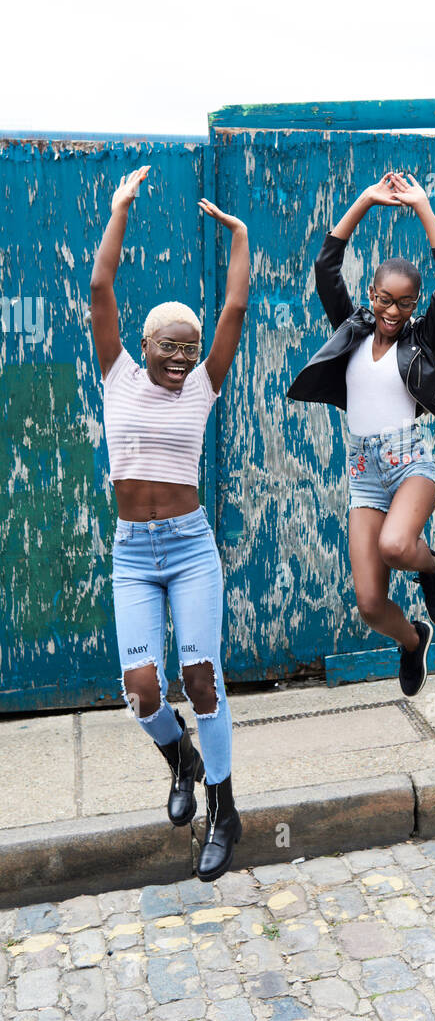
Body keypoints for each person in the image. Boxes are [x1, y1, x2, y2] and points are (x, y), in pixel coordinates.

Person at [89, 165, 250, 881]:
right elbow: (100, 287)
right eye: (171, 346)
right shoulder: (116, 372)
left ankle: (224, 807)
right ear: (145, 344)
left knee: (202, 677)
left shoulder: (204, 384)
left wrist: (240, 237)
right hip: (133, 553)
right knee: (142, 689)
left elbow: (235, 311)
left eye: (190, 347)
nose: (184, 357)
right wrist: (121, 208)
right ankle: (178, 757)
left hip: (189, 548)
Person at [287, 172, 435, 695]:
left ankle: (430, 568)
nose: (392, 311)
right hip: (363, 473)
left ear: (415, 306)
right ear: (371, 294)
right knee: (368, 604)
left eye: (405, 303)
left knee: (395, 546)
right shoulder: (352, 329)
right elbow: (326, 265)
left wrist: (424, 206)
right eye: (385, 299)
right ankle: (413, 641)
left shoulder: (423, 339)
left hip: (410, 465)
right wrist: (364, 200)